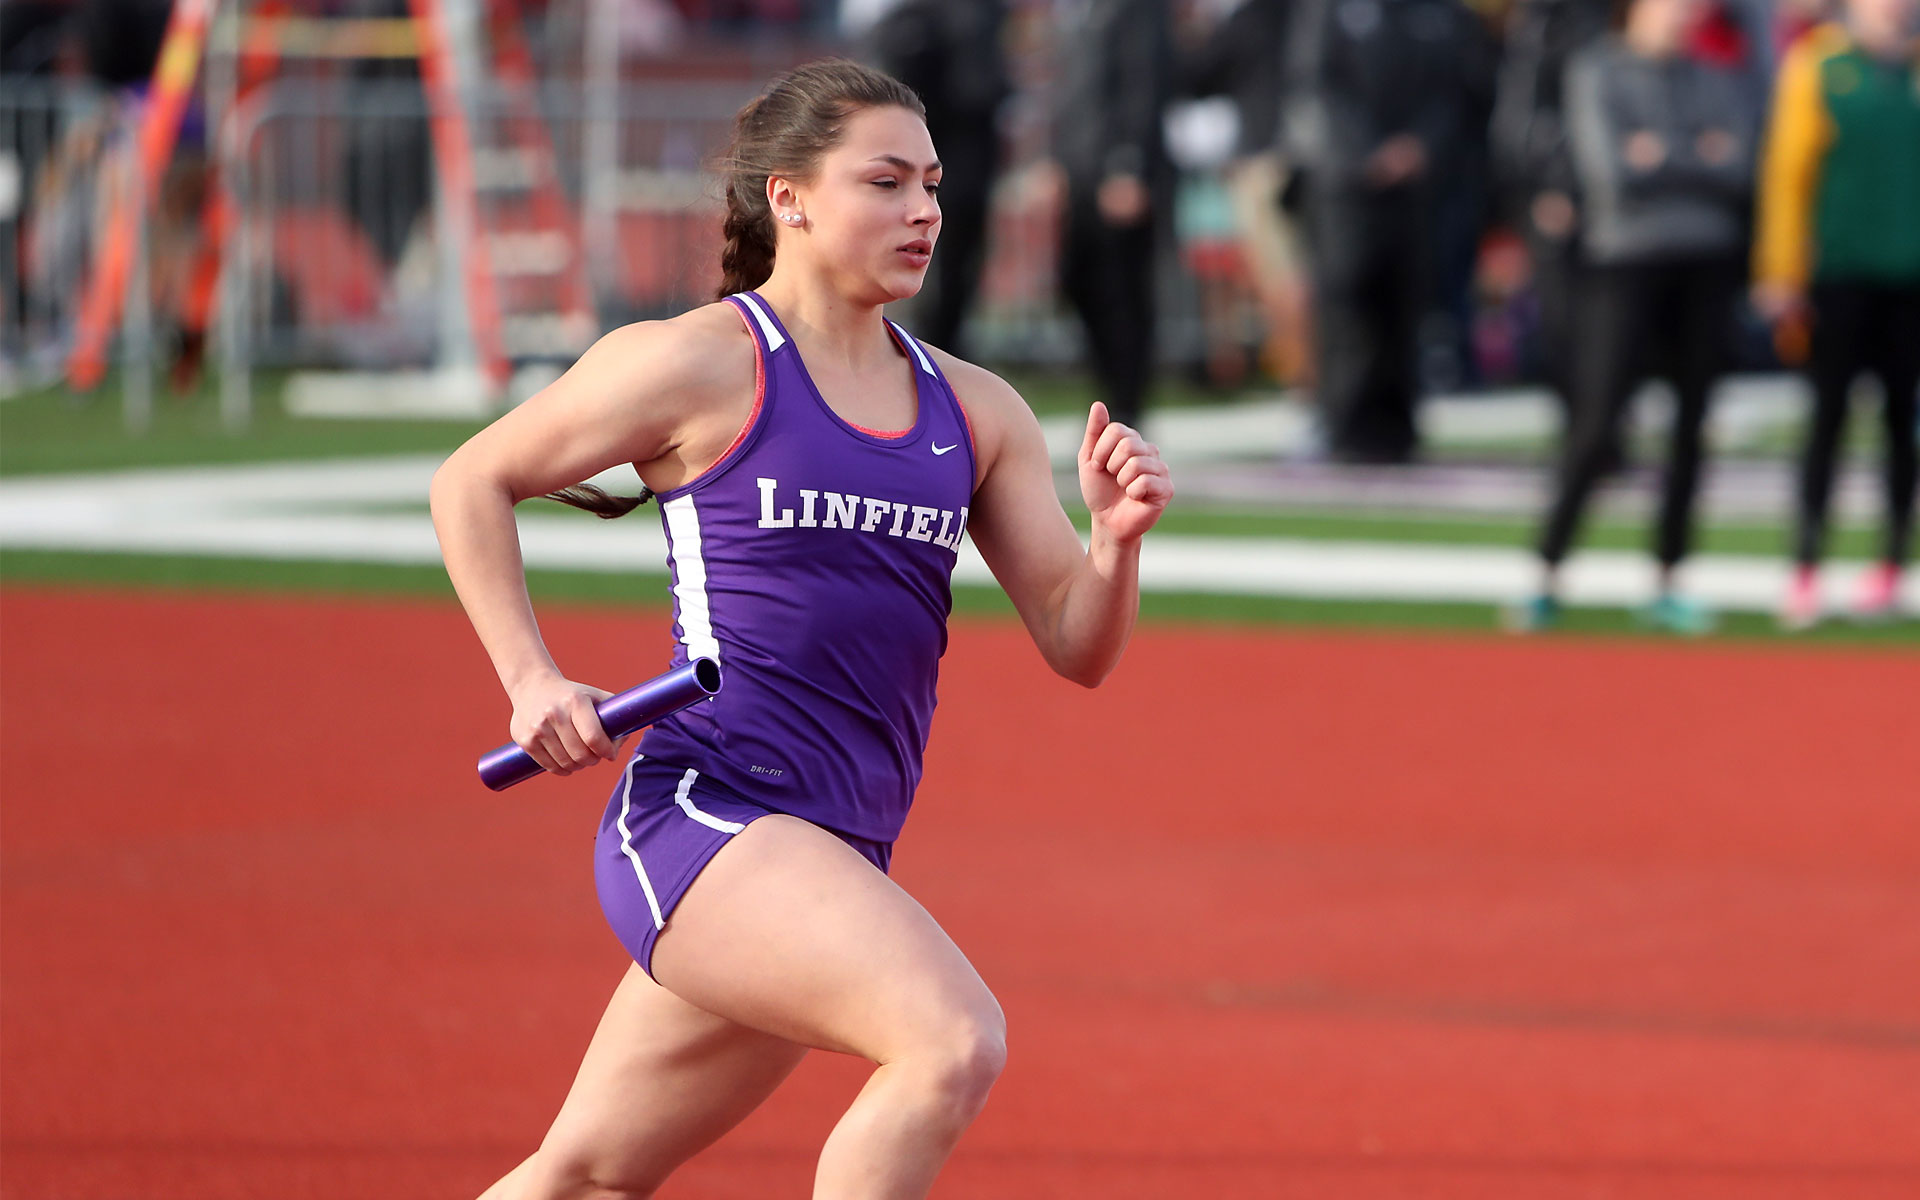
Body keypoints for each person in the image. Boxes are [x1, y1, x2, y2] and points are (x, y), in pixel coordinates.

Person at [428, 59, 1173, 1199]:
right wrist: (531, 678)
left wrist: (1115, 543)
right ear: (789, 196)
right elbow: (472, 480)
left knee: (583, 1177)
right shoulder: (699, 361)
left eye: (932, 184)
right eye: (885, 182)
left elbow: (1078, 644)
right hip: (708, 813)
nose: (923, 210)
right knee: (951, 1041)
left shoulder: (973, 409)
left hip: (835, 848)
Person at [1511, 0, 1758, 633]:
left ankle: (1669, 574)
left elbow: (1740, 166)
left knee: (1691, 424)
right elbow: (1613, 171)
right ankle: (1546, 569)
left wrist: (1664, 156)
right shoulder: (1598, 71)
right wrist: (1697, 154)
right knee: (1596, 420)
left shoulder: (1715, 75)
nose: (1683, 13)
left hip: (1704, 264)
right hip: (1625, 264)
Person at [1752, 0, 1920, 629]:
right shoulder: (1818, 63)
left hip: (1908, 276)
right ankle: (1805, 566)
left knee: (1902, 426)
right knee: (1826, 421)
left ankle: (1892, 566)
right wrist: (1780, 269)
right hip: (1838, 274)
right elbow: (1787, 171)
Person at [1284, 0, 1482, 463]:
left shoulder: (1434, 14)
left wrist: (1420, 147)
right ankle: (1344, 420)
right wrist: (1365, 153)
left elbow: (1453, 91)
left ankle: (1398, 423)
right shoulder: (1329, 11)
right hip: (1344, 183)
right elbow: (1315, 85)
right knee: (1348, 300)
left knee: (1406, 299)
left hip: (1415, 185)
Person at [1051, 0, 1177, 427]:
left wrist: (1127, 166)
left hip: (1118, 174)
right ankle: (1108, 402)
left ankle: (1125, 409)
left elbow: (1144, 83)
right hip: (1082, 174)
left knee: (1122, 294)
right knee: (1080, 282)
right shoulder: (1082, 11)